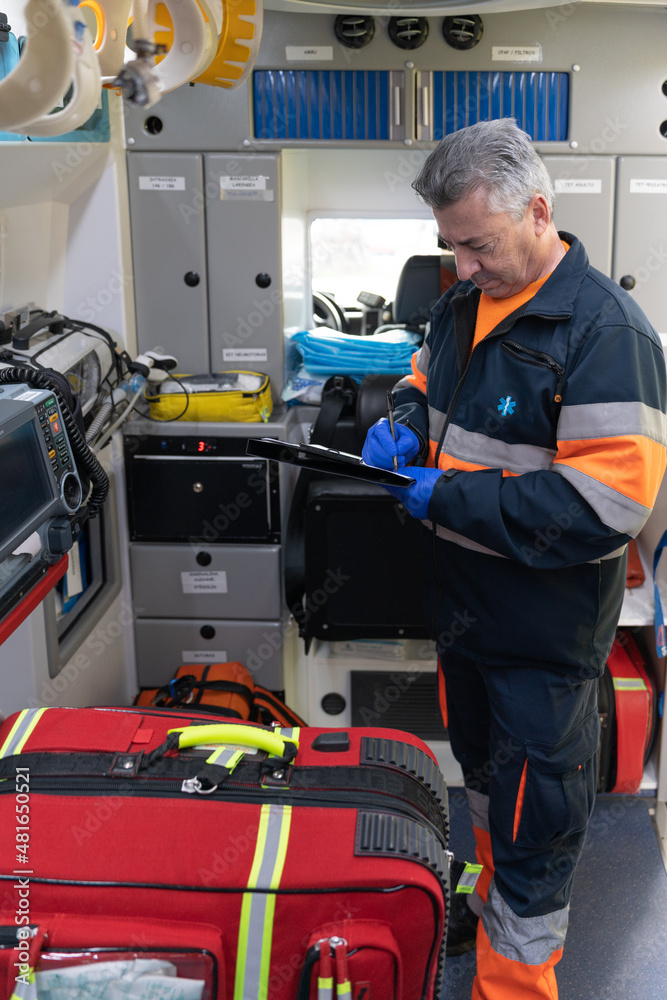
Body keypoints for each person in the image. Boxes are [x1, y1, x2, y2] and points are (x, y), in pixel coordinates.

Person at [362, 118, 667, 1000]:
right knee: (488, 789)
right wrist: (404, 421)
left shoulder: (605, 334)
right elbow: (427, 375)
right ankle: (485, 899)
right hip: (464, 618)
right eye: (449, 247)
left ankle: (515, 984)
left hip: (542, 637)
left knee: (539, 826)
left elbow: (604, 507)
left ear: (537, 211)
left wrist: (442, 497)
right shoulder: (463, 301)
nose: (461, 268)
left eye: (476, 246)